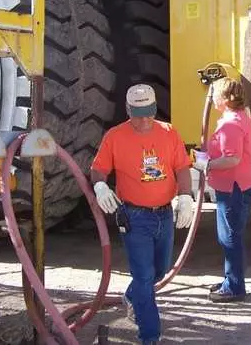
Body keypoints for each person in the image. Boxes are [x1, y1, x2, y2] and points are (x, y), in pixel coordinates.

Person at [91, 84, 194, 345]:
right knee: (144, 277)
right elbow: (98, 168)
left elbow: (182, 166)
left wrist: (185, 196)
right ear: (128, 110)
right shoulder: (115, 136)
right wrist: (100, 185)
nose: (145, 119)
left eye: (149, 112)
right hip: (134, 216)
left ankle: (131, 296)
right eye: (139, 113)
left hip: (164, 214)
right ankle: (150, 335)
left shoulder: (169, 133)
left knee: (159, 271)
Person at [193, 77, 251, 302]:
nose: (212, 99)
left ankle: (234, 287)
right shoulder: (239, 117)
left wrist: (207, 165)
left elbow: (232, 159)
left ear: (224, 99)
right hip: (241, 184)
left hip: (234, 188)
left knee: (229, 237)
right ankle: (231, 279)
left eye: (215, 95)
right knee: (231, 236)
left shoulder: (231, 124)